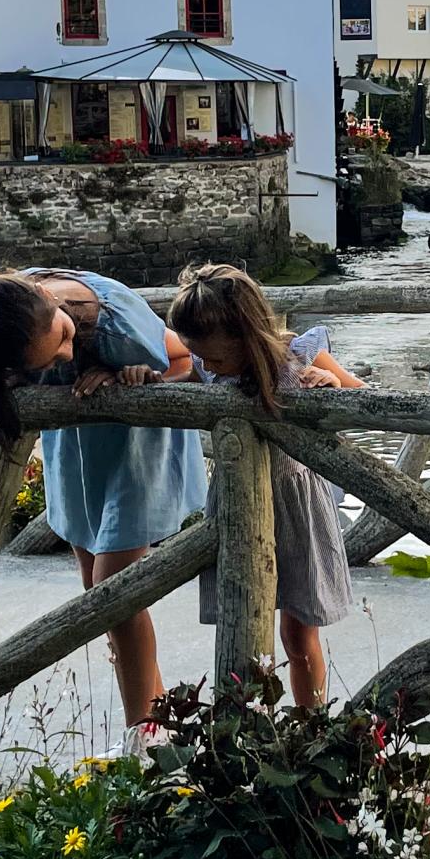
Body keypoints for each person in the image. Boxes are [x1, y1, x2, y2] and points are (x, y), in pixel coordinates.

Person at [0, 268, 207, 737]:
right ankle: (160, 722)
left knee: (117, 597)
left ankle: (143, 737)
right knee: (97, 590)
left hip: (135, 453)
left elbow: (187, 358)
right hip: (76, 454)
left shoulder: (116, 319)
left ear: (54, 305)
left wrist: (134, 373)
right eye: (48, 359)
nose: (67, 354)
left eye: (66, 337)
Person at [166, 262, 363, 706]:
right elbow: (187, 378)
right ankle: (250, 721)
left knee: (298, 628)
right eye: (199, 354)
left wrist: (331, 383)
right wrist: (147, 379)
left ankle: (311, 723)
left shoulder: (297, 356)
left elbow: (361, 395)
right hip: (237, 498)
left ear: (247, 335)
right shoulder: (207, 359)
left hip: (295, 501)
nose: (208, 364)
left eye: (216, 357)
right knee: (243, 618)